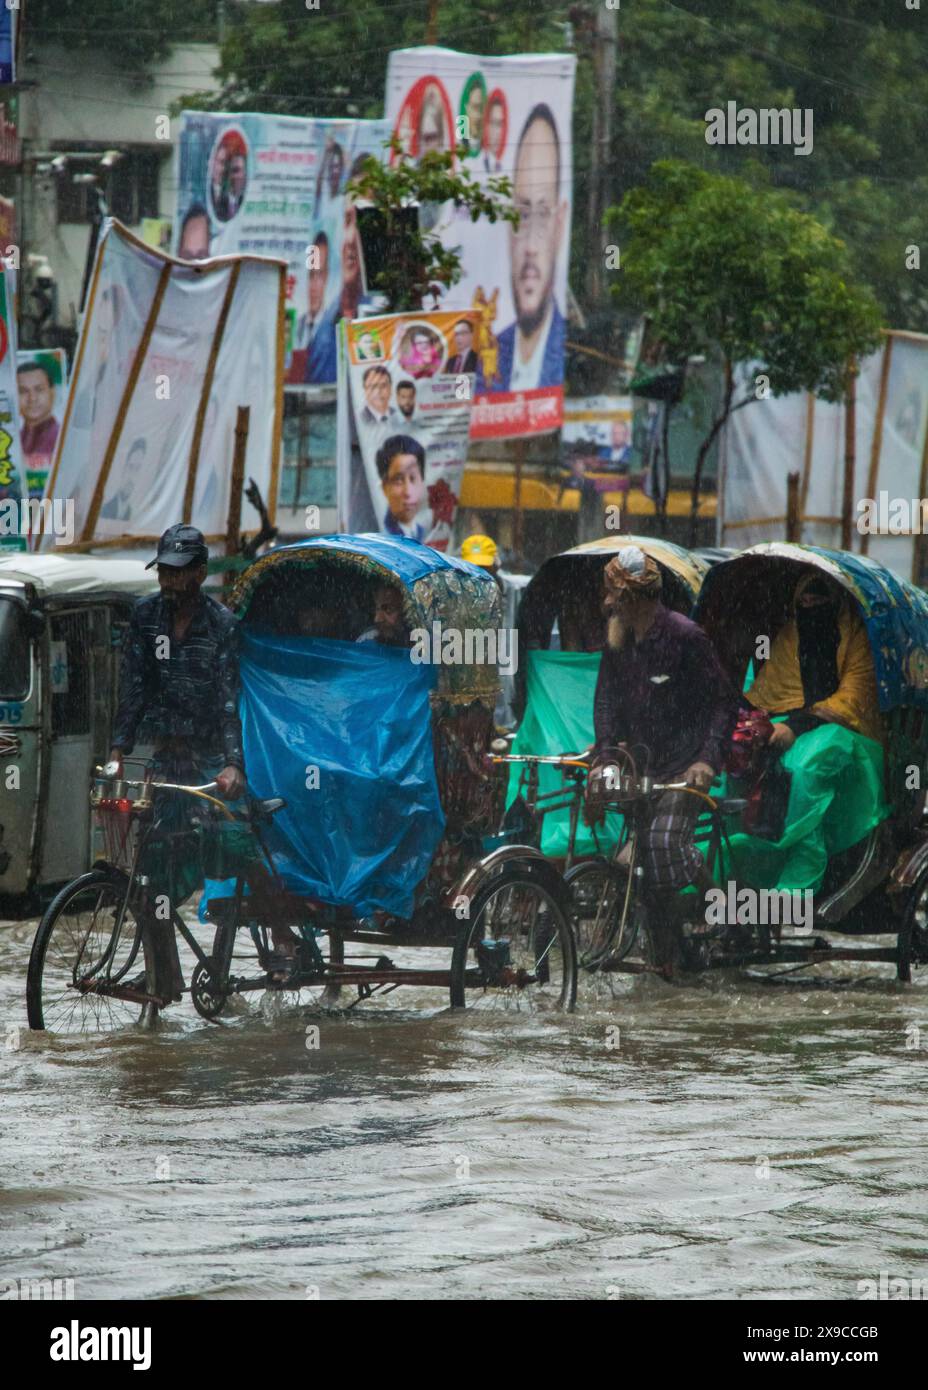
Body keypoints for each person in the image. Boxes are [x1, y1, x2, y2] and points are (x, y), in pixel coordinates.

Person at [106, 526, 246, 1001]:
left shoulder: (222, 625)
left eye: (178, 573)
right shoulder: (145, 618)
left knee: (225, 849)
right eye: (163, 571)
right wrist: (118, 747)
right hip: (163, 758)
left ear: (201, 574)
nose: (168, 581)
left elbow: (230, 701)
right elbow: (135, 688)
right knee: (149, 874)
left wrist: (232, 764)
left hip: (209, 761)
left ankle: (272, 939)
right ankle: (162, 978)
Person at [588, 546, 739, 974]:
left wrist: (707, 761)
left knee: (662, 844)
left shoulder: (685, 636)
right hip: (640, 765)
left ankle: (723, 912)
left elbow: (723, 705)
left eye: (613, 595)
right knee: (633, 865)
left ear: (635, 599)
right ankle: (667, 959)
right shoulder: (617, 638)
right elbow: (606, 701)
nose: (606, 604)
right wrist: (604, 757)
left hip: (683, 766)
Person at [479, 103, 567, 394]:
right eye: (522, 215)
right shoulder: (483, 364)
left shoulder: (575, 355)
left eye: (542, 215)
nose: (530, 247)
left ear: (560, 224)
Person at [745, 572, 882, 749]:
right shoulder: (790, 635)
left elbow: (854, 698)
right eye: (804, 602)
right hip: (788, 716)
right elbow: (767, 691)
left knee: (813, 763)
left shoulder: (857, 638)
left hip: (843, 727)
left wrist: (797, 726)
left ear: (833, 602)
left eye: (817, 601)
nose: (810, 608)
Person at [376, 434, 427, 541]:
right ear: (385, 487)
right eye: (398, 480)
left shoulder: (423, 532)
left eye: (413, 479)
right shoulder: (379, 537)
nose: (408, 492)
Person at [18, 360, 60, 469]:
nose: (32, 398)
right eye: (23, 391)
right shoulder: (11, 440)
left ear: (52, 393)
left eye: (39, 390)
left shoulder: (63, 438)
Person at [359, 365, 399, 431]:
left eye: (383, 386)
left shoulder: (399, 415)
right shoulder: (359, 419)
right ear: (365, 390)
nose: (378, 391)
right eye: (373, 386)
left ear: (390, 388)